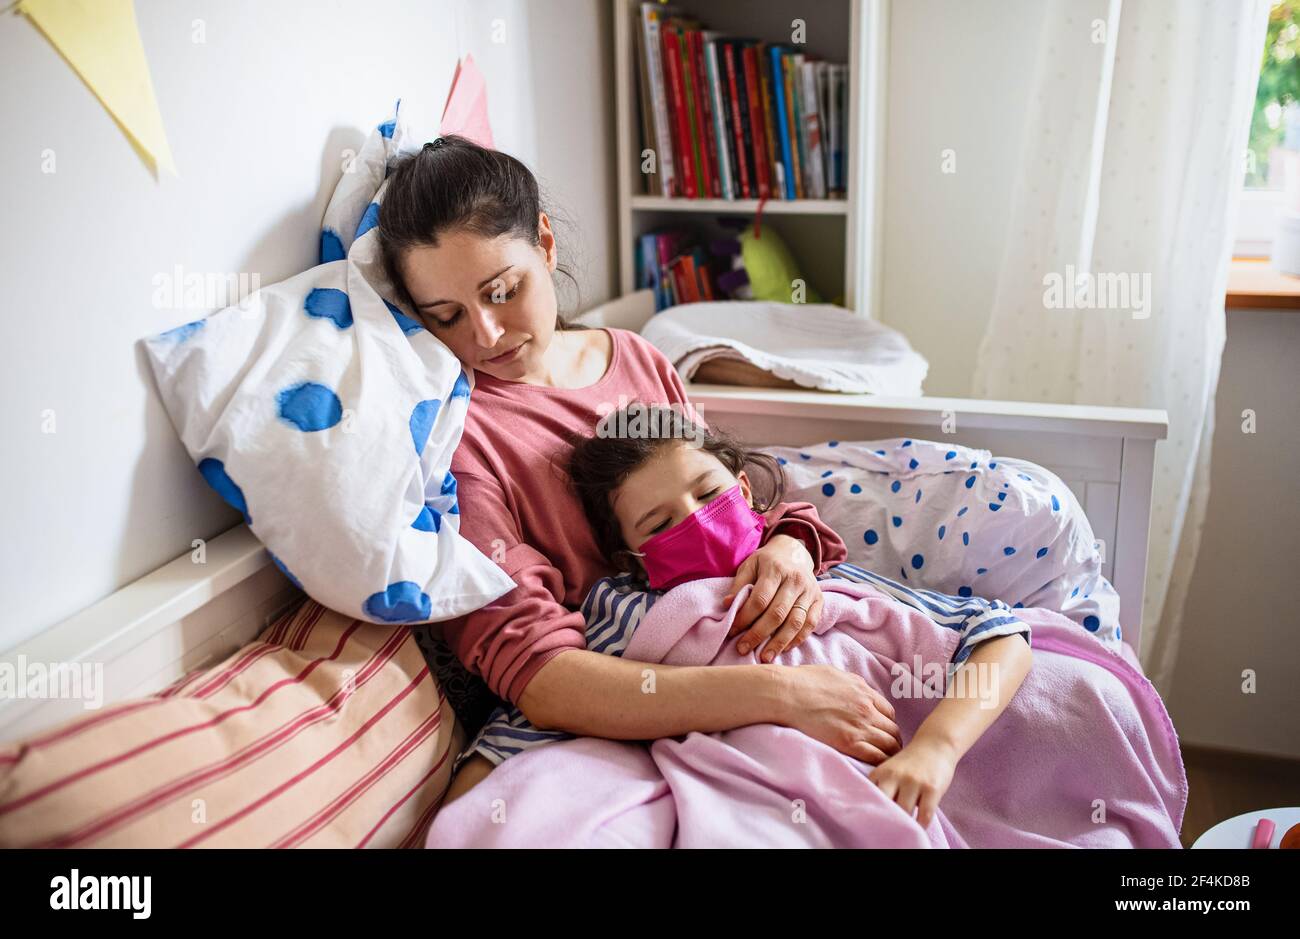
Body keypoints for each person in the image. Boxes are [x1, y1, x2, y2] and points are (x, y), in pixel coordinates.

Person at [377, 135, 901, 805]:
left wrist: (790, 548)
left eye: (503, 291)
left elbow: (735, 497)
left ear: (545, 243)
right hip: (628, 701)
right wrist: (776, 694)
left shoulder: (636, 359)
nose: (484, 335)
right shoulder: (461, 437)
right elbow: (542, 678)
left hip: (740, 637)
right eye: (445, 316)